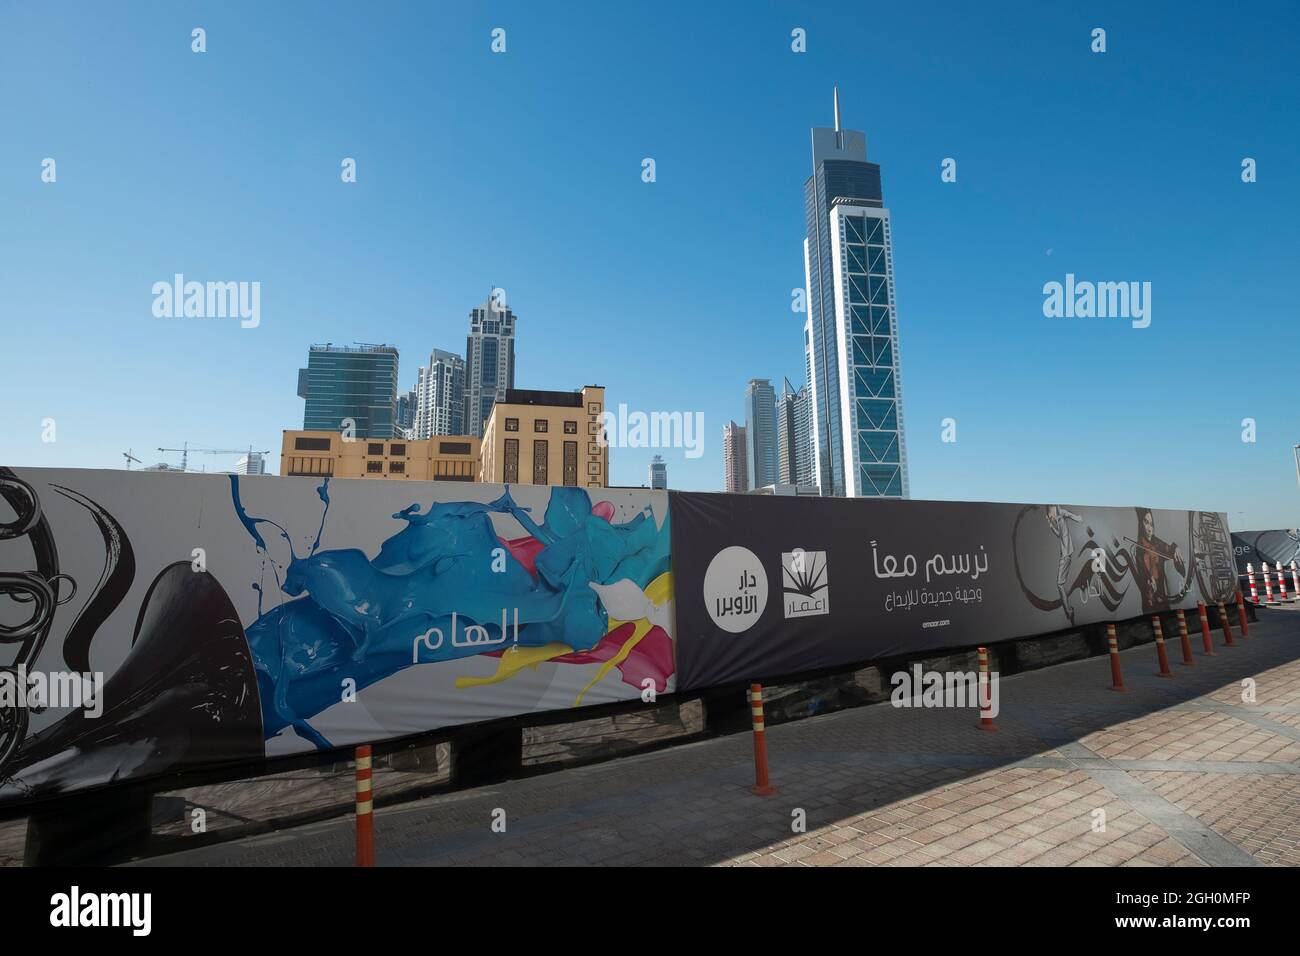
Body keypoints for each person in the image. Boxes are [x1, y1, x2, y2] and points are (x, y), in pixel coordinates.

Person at [1130, 508, 1184, 613]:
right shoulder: (1138, 548)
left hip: (1162, 597)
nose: (1150, 528)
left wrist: (1176, 548)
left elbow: (1169, 548)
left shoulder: (1157, 543)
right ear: (1141, 524)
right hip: (1149, 600)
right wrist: (1149, 578)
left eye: (1151, 524)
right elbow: (1141, 569)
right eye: (1146, 523)